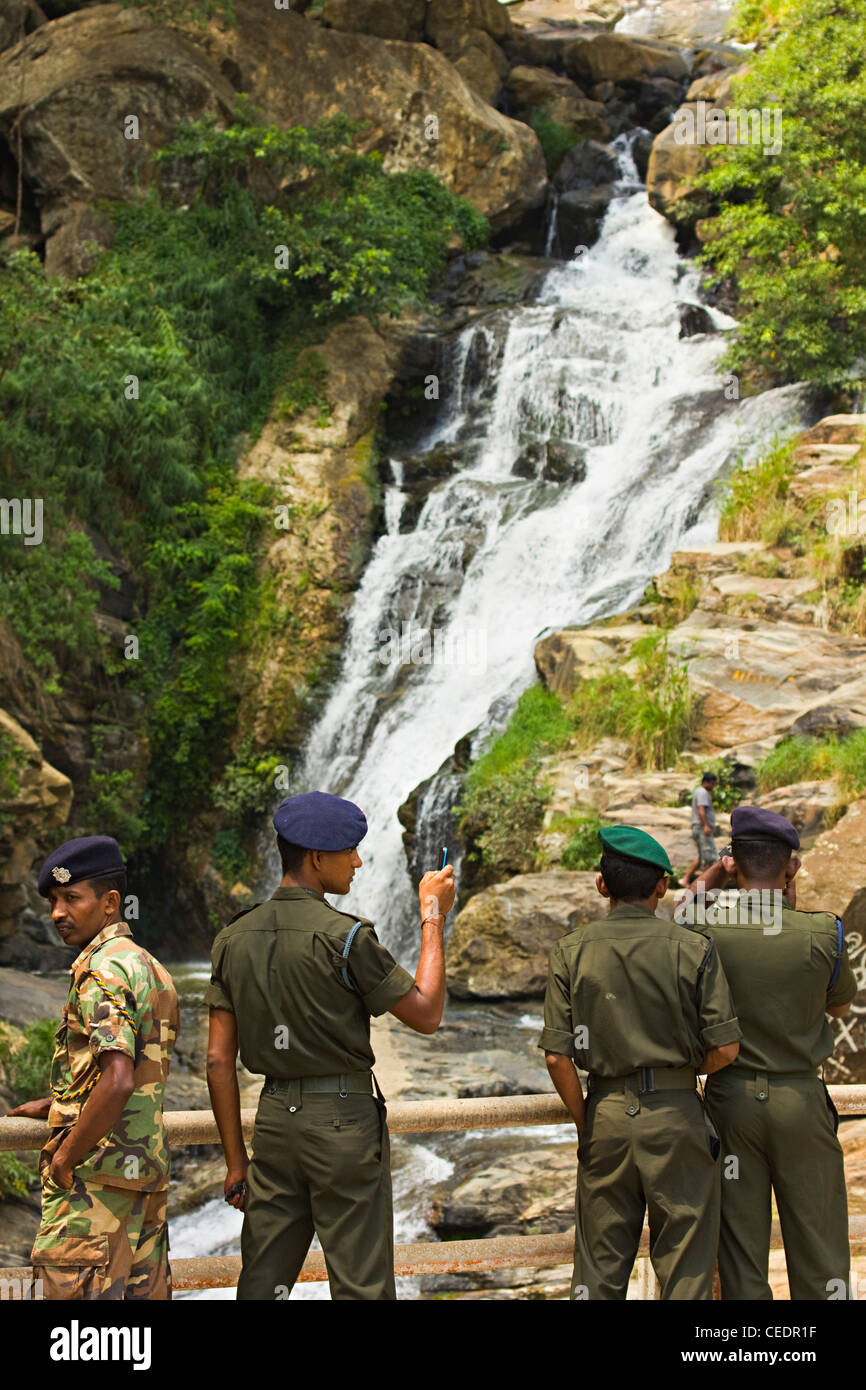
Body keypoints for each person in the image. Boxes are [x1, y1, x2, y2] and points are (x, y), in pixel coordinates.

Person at [205, 789, 455, 1301]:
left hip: (274, 1123)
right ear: (317, 858)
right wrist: (432, 915)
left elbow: (216, 1060)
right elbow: (427, 1013)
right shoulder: (347, 939)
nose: (359, 862)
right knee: (360, 1285)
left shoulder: (233, 937)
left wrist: (236, 1160)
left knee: (261, 1283)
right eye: (350, 851)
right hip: (343, 1126)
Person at [539, 824, 741, 1300]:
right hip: (676, 1116)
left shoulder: (571, 950)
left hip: (607, 1114)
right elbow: (726, 1048)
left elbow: (556, 1056)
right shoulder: (693, 948)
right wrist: (682, 1074)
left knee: (599, 1271)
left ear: (601, 884)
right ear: (661, 886)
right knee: (686, 1265)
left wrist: (586, 1120)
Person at [677, 804, 857, 1300]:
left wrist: (716, 868)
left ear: (734, 862)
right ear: (792, 866)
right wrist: (792, 917)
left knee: (740, 1248)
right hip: (801, 1102)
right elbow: (840, 1008)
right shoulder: (825, 931)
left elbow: (677, 914)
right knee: (820, 1243)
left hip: (731, 1101)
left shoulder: (706, 928)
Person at [9, 835, 179, 1300]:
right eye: (53, 901)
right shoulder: (148, 966)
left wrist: (65, 1158)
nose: (57, 913)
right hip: (143, 1179)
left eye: (70, 899)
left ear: (109, 903)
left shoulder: (99, 971)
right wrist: (62, 1101)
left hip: (94, 1188)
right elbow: (140, 1071)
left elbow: (120, 1078)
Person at [684, 770, 719, 886]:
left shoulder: (699, 792)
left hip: (699, 828)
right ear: (707, 782)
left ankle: (685, 879)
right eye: (713, 784)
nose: (714, 787)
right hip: (701, 828)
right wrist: (706, 826)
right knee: (709, 858)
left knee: (701, 857)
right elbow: (701, 810)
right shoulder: (702, 792)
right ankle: (703, 885)